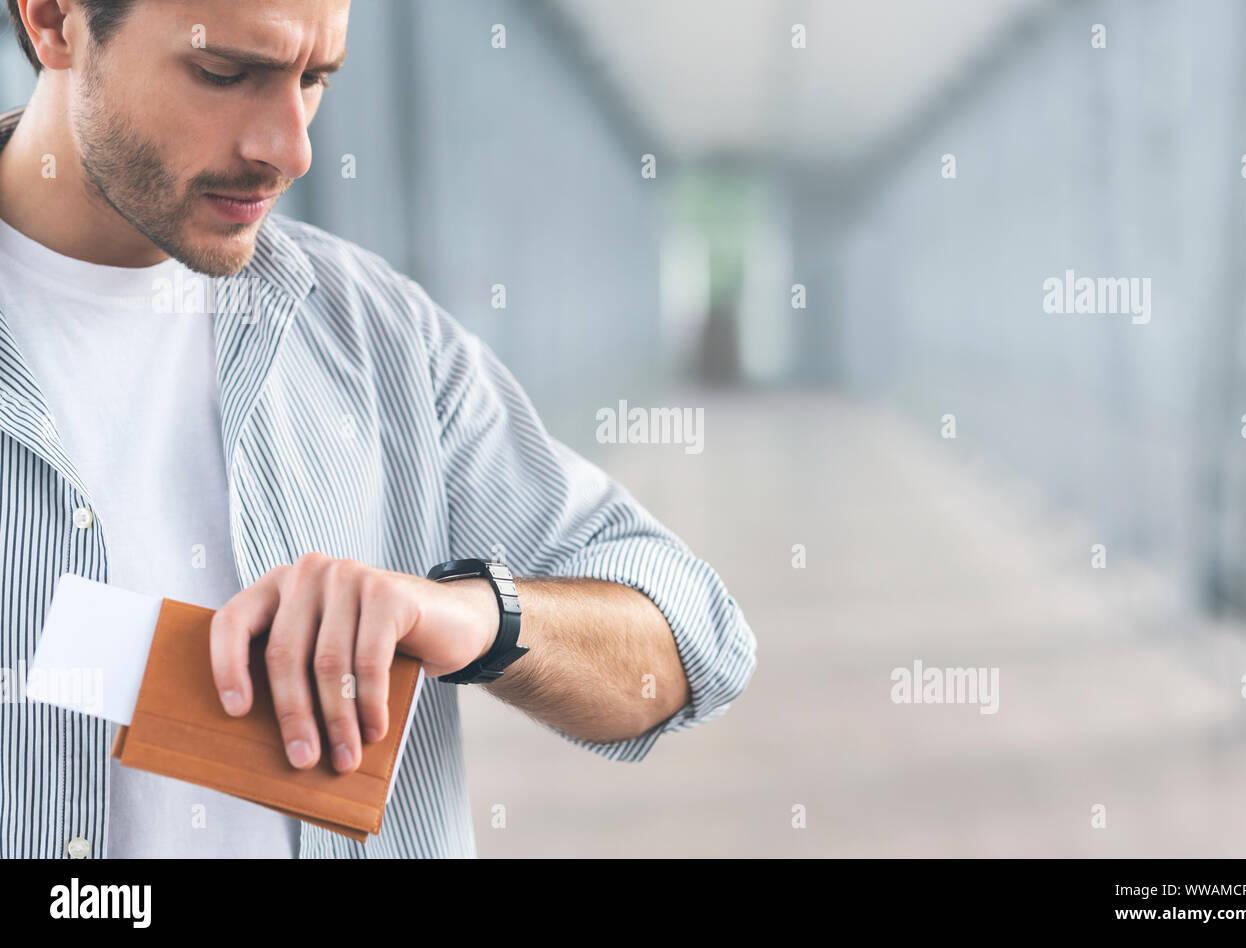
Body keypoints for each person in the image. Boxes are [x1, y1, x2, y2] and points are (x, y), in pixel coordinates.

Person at [0, 0, 756, 858]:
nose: (289, 150)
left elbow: (694, 639)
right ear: (56, 20)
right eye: (225, 74)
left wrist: (466, 616)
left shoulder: (379, 333)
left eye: (313, 79)